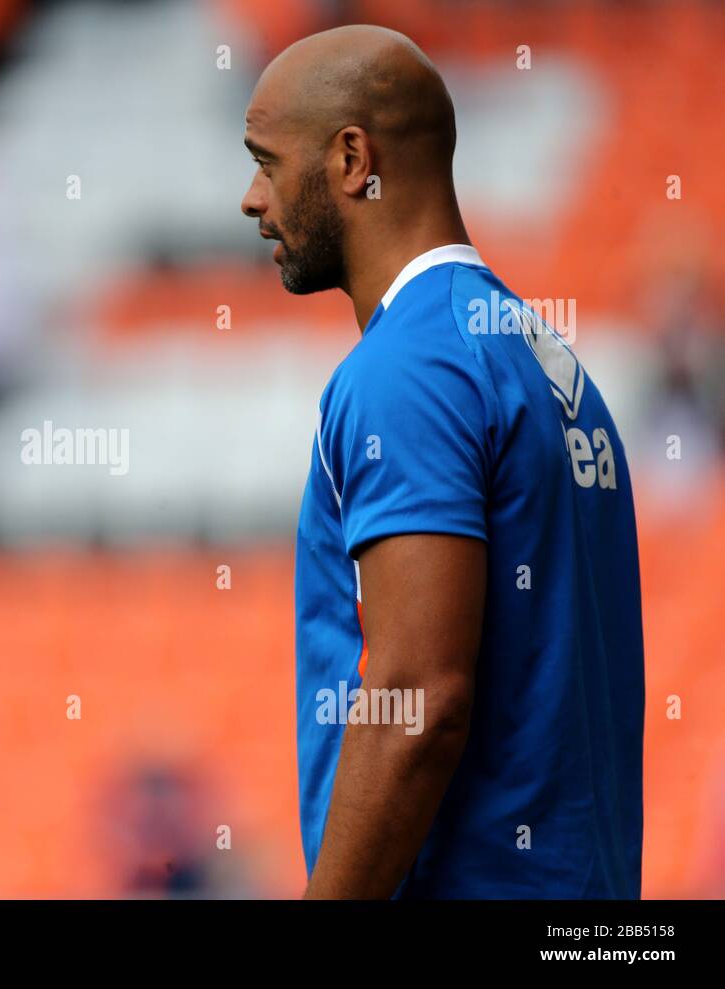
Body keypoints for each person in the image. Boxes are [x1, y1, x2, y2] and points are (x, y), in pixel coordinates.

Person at [241, 26, 644, 898]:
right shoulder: (539, 355)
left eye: (267, 163)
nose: (250, 198)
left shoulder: (407, 371)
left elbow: (418, 703)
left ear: (353, 158)